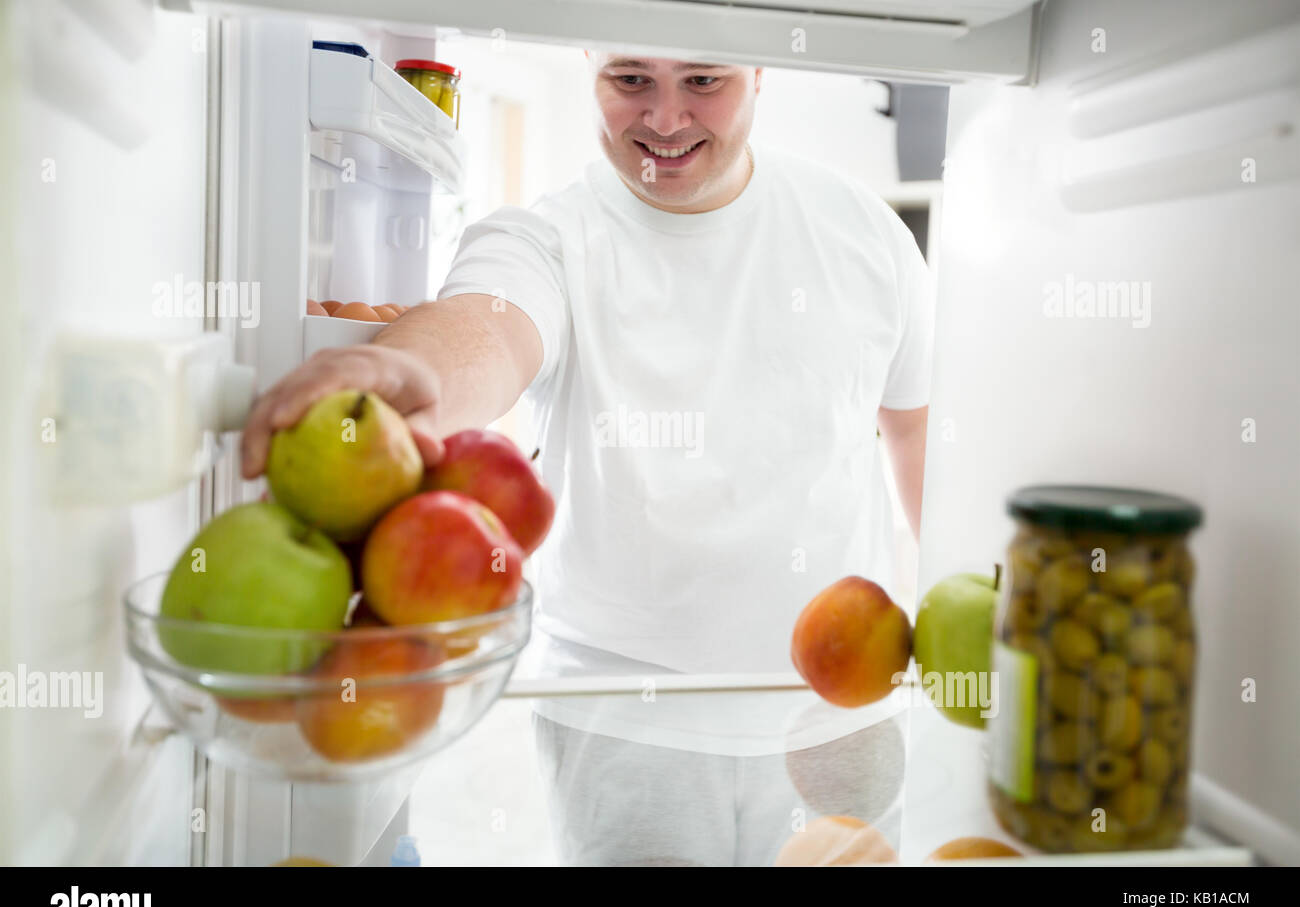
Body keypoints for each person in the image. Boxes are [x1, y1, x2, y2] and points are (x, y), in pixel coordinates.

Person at [241, 53, 933, 865]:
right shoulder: (550, 236)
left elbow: (914, 433)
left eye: (703, 82)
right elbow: (488, 326)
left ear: (758, 69)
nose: (666, 120)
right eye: (631, 81)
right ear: (588, 68)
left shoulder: (866, 232)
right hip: (624, 724)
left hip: (844, 707)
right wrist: (417, 372)